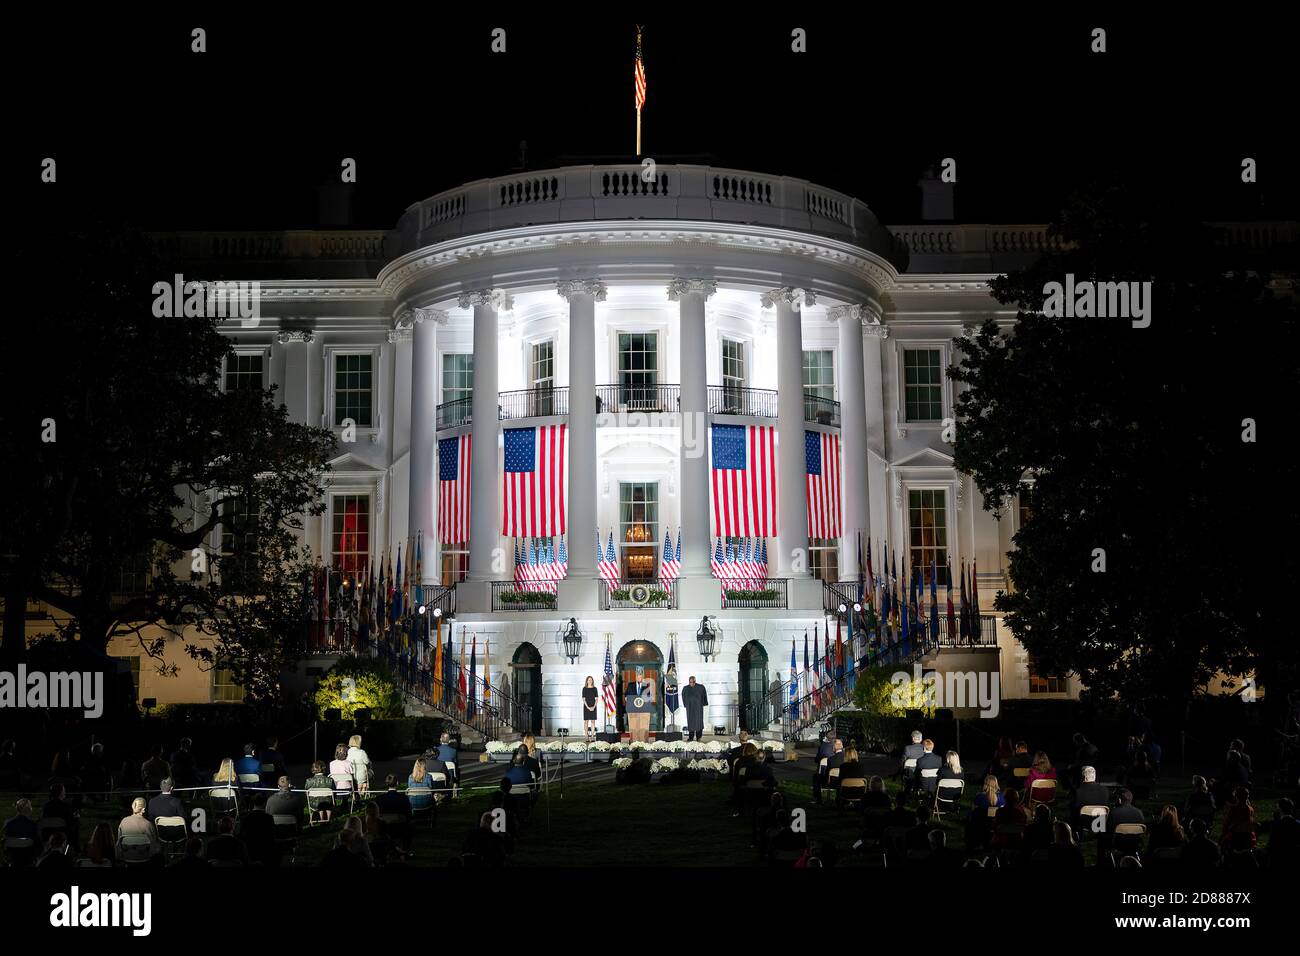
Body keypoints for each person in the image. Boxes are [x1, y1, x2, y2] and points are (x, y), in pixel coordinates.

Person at [42, 782, 81, 851]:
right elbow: (69, 823)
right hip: (62, 833)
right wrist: (76, 818)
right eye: (64, 791)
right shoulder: (65, 807)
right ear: (60, 793)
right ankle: (76, 848)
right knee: (76, 822)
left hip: (48, 834)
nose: (65, 792)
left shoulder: (46, 806)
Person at [1072, 765, 1110, 832]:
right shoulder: (1105, 790)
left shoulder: (1078, 792)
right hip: (1100, 824)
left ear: (1083, 777)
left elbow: (1074, 809)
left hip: (1084, 824)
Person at [1219, 787, 1257, 851]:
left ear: (1236, 796)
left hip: (1237, 835)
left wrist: (1224, 833)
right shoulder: (1250, 808)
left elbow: (1229, 822)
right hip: (1248, 835)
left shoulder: (1235, 808)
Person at [1267, 798, 1299, 867]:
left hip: (1279, 859)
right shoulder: (1297, 823)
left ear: (1280, 809)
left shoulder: (1276, 825)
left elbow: (1271, 844)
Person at [682, 676, 708, 742]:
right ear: (689, 682)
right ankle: (691, 737)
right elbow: (683, 697)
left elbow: (704, 695)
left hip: (698, 707)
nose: (691, 684)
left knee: (698, 722)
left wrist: (704, 703)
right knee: (691, 722)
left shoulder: (701, 687)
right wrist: (686, 705)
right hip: (690, 708)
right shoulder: (685, 688)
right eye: (690, 682)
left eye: (693, 682)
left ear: (695, 681)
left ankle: (698, 737)